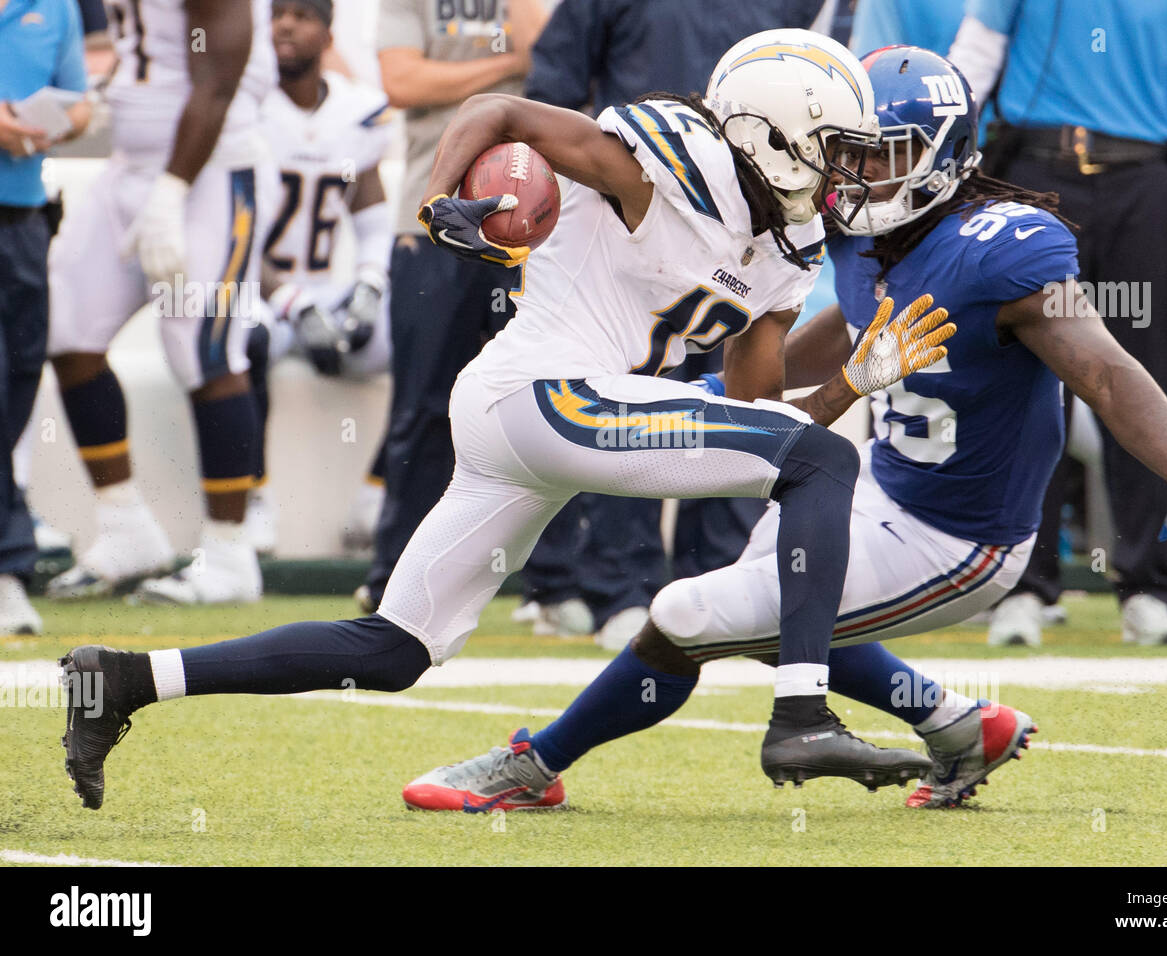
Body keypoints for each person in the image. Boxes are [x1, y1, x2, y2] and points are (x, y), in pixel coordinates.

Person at [57, 29, 959, 811]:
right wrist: (442, 199)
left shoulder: (783, 244)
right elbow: (501, 111)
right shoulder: (673, 161)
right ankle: (802, 715)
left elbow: (753, 410)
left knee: (393, 648)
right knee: (819, 463)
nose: (851, 170)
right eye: (838, 146)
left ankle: (126, 679)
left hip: (547, 418)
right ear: (774, 131)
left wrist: (848, 381)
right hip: (545, 393)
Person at [401, 47, 1167, 814]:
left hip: (958, 539)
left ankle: (534, 765)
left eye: (882, 156)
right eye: (848, 153)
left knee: (691, 612)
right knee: (777, 610)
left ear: (938, 158)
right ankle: (963, 724)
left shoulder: (1001, 247)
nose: (853, 177)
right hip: (870, 484)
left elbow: (1107, 372)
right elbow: (806, 352)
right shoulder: (860, 242)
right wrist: (682, 391)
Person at [946, 0, 1167, 647]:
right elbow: (971, 62)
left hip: (1140, 184)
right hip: (1036, 177)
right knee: (1028, 376)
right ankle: (1022, 585)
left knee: (1144, 376)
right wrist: (942, 162)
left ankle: (1149, 588)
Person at [518, 0, 835, 649]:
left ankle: (716, 581)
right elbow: (555, 89)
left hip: (752, 226)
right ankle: (622, 590)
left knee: (731, 405)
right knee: (634, 399)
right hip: (641, 218)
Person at [44, 0, 277, 605]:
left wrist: (171, 192)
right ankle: (126, 530)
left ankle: (230, 554)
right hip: (129, 166)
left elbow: (219, 78)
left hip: (209, 173)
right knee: (65, 328)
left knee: (204, 351)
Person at [358, 0, 548, 613]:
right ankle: (394, 573)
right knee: (421, 403)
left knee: (539, 400)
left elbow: (548, 60)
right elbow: (403, 82)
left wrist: (504, 67)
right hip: (431, 218)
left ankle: (552, 583)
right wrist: (505, 74)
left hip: (531, 228)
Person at [241, 0, 395, 556]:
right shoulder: (243, 106)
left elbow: (374, 221)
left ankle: (379, 498)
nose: (286, 24)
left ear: (328, 32)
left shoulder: (356, 112)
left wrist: (369, 287)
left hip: (326, 291)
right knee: (241, 340)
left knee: (428, 340)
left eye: (302, 14)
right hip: (256, 290)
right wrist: (293, 304)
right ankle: (251, 500)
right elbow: (229, 233)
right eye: (277, 13)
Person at [0, 0, 93, 632]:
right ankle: (8, 567)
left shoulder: (55, 6)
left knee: (21, 377)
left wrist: (56, 124)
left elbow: (81, 101)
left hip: (25, 213)